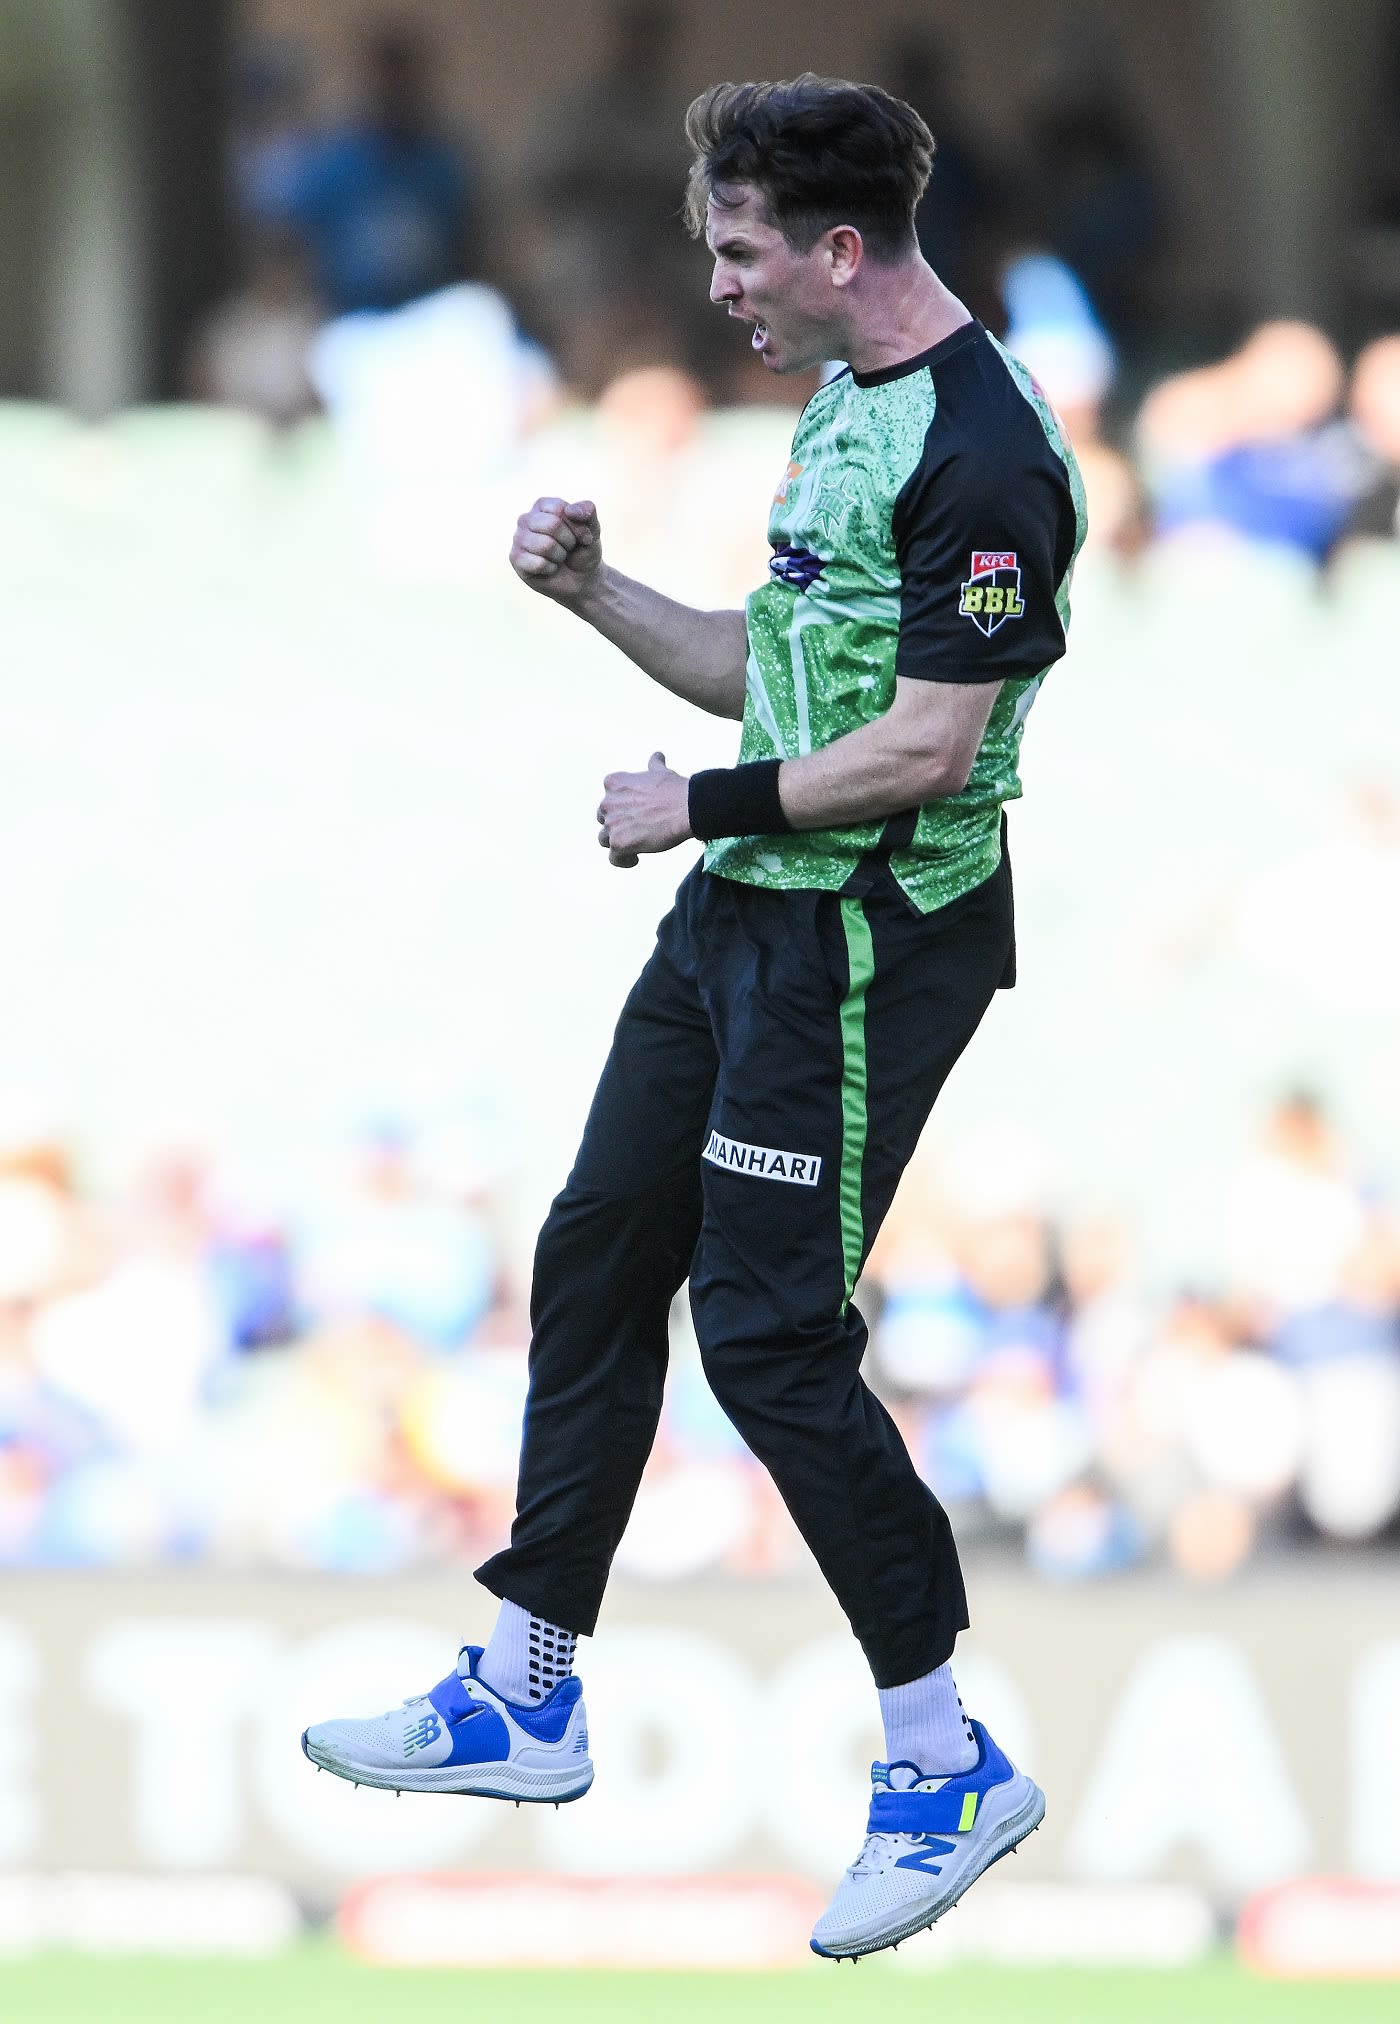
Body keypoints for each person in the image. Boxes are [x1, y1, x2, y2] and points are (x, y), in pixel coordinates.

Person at [303, 74, 1086, 1962]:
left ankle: (944, 1759)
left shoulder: (985, 451)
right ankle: (526, 1686)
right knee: (595, 1247)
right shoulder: (842, 403)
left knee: (765, 1336)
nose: (718, 284)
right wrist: (597, 597)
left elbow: (928, 747)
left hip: (864, 940)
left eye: (739, 251)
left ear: (839, 248)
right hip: (746, 906)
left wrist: (693, 806)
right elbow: (776, 670)